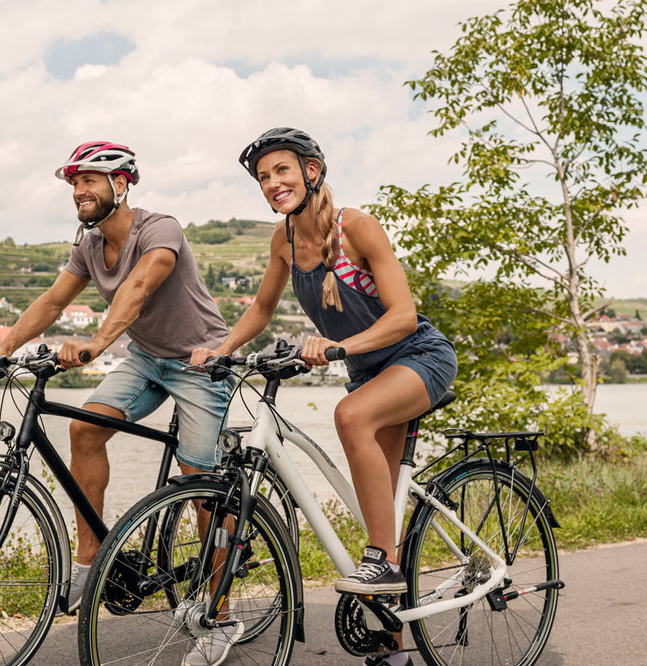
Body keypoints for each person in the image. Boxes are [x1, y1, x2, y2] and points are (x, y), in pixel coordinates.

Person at [191, 127, 457, 666]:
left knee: (349, 416)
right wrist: (222, 349)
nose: (272, 183)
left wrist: (339, 347)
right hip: (368, 371)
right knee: (379, 514)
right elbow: (262, 309)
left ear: (311, 171)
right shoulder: (283, 239)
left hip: (419, 358)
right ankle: (394, 650)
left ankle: (381, 560)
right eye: (264, 177)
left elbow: (403, 314)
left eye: (281, 171)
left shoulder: (357, 227)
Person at [0, 141, 239, 663]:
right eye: (74, 182)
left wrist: (97, 343)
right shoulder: (89, 246)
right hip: (146, 359)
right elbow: (53, 300)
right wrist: (6, 345)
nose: (79, 190)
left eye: (90, 180)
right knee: (85, 429)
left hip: (200, 361)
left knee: (199, 482)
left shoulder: (160, 229)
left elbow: (139, 287)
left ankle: (220, 615)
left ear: (122, 185)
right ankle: (90, 558)